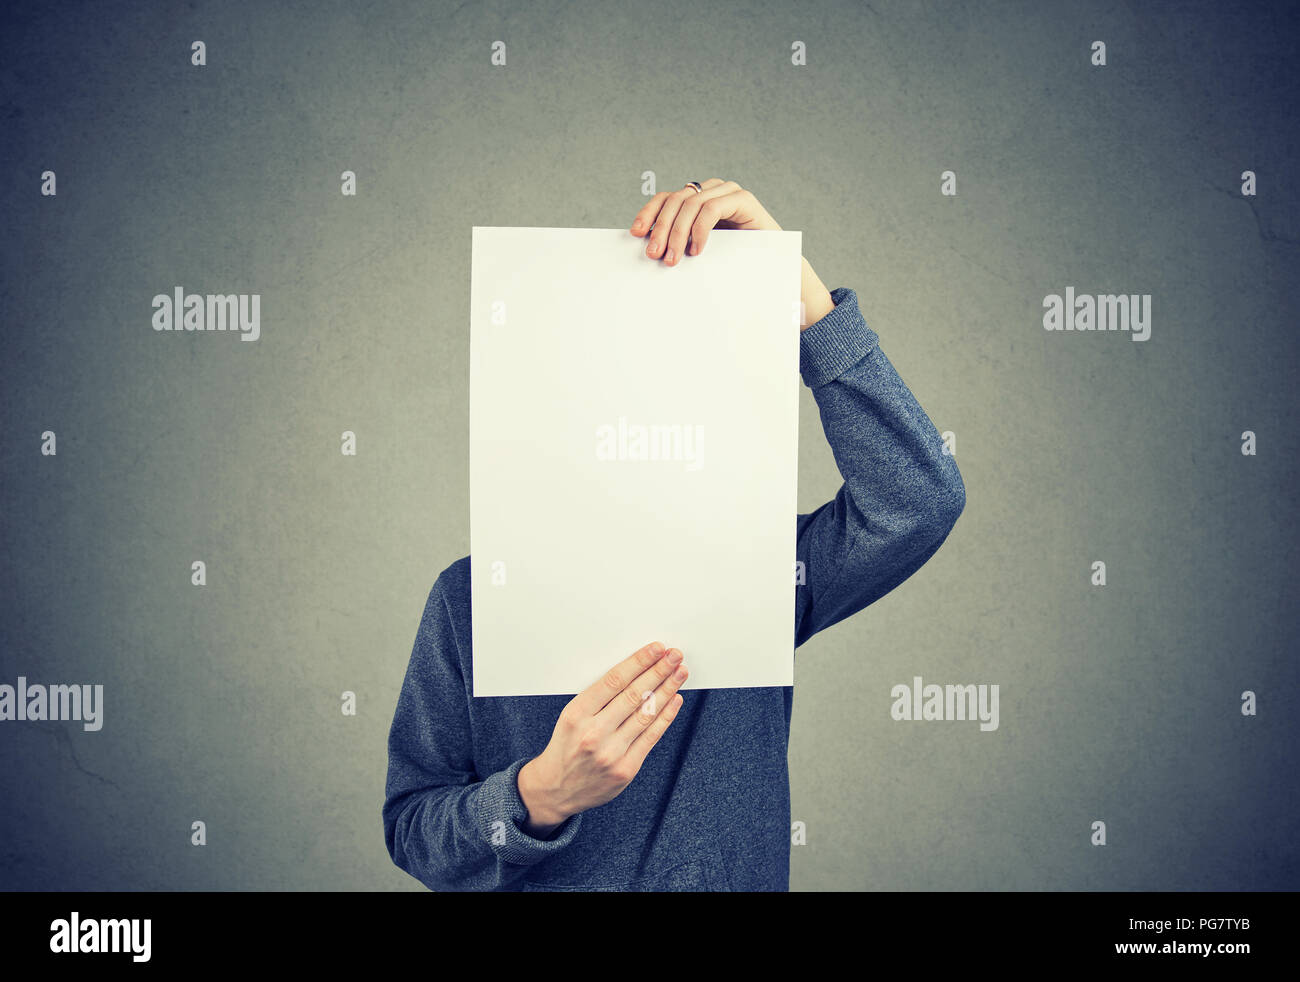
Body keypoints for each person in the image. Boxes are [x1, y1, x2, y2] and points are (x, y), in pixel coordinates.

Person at [383, 178, 966, 891]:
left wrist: (801, 295)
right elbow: (413, 830)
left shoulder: (760, 568)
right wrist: (539, 794)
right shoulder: (467, 599)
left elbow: (920, 498)